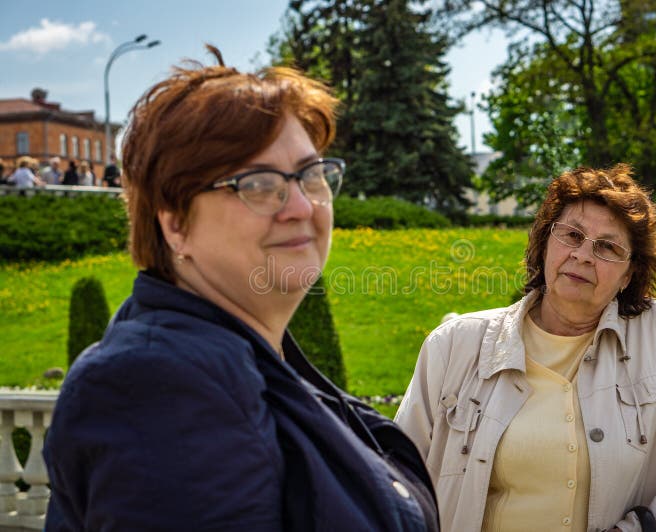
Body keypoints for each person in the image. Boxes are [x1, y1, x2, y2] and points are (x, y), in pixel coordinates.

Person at [43, 45, 438, 531]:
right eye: (257, 183)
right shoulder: (155, 385)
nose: (301, 206)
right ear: (175, 224)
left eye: (310, 175)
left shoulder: (254, 361)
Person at [395, 164, 656, 532]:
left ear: (628, 275)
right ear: (544, 244)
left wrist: (644, 529)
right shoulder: (454, 345)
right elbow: (394, 478)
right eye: (572, 235)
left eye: (607, 247)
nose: (583, 254)